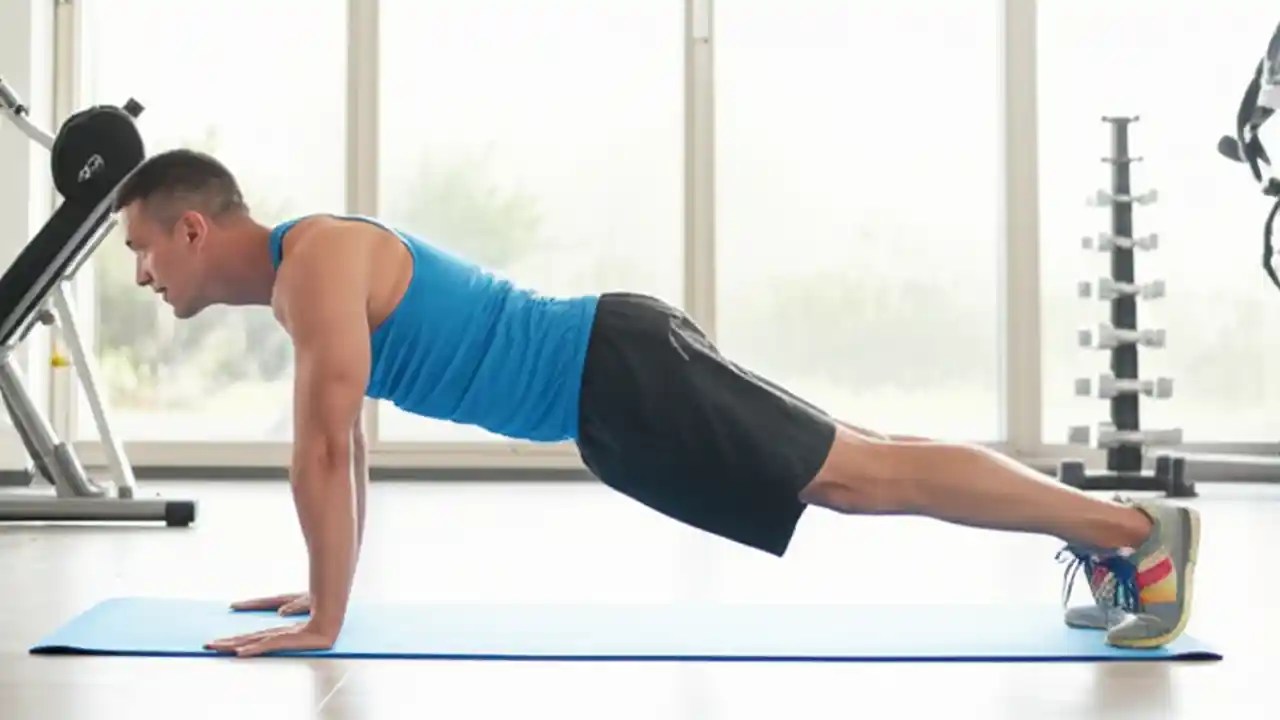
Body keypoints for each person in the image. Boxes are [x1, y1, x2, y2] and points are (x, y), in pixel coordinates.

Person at [112, 149, 1199, 658]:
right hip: (615, 374)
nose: (143, 278)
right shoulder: (310, 277)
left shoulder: (314, 264)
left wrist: (328, 622)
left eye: (141, 251)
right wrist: (318, 594)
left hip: (616, 369)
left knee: (858, 477)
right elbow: (340, 451)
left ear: (191, 229)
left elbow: (317, 454)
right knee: (863, 456)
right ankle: (1113, 537)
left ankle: (1131, 534)